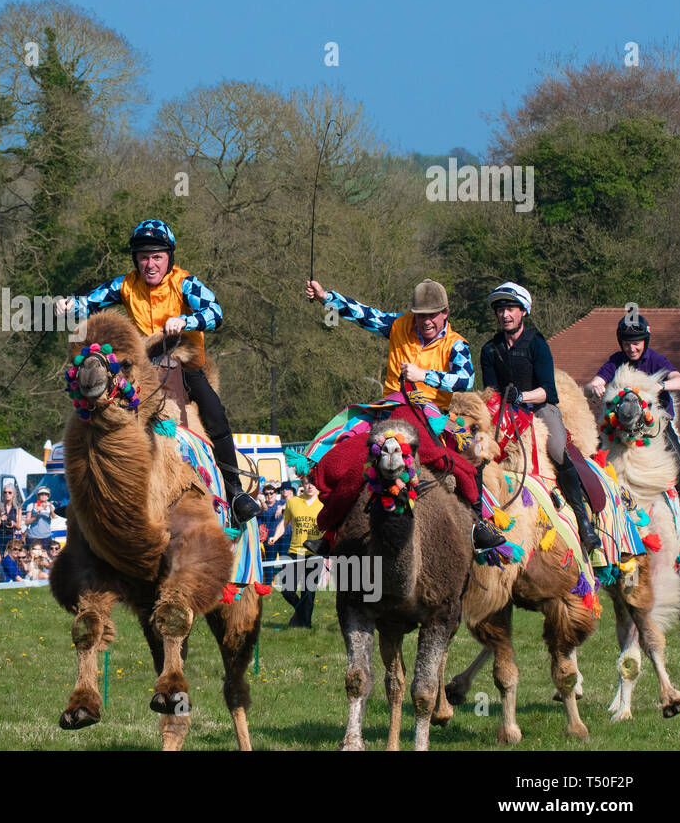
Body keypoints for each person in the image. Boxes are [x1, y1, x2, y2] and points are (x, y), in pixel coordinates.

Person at [57, 219, 260, 527]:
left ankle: (234, 492)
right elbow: (88, 303)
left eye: (156, 257)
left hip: (184, 363)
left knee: (215, 412)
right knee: (96, 409)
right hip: (142, 370)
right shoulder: (124, 285)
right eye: (143, 257)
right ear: (135, 259)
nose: (149, 264)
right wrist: (69, 305)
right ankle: (82, 492)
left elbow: (216, 313)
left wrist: (186, 321)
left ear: (169, 258)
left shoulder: (185, 283)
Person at [304, 277, 503, 552]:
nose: (426, 321)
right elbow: (362, 314)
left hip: (433, 417)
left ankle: (478, 524)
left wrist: (426, 376)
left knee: (472, 454)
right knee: (343, 453)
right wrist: (326, 298)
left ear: (445, 313)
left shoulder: (456, 344)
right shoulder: (399, 324)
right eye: (421, 315)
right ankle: (331, 533)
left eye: (433, 315)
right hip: (389, 412)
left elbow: (466, 380)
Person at [482, 282, 599, 551]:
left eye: (511, 308)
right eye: (500, 310)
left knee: (558, 450)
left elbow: (548, 390)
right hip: (504, 412)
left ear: (524, 311)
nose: (505, 314)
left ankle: (584, 522)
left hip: (539, 408)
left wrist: (521, 397)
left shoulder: (537, 344)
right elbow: (490, 391)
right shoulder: (489, 349)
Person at [586, 312, 680, 456]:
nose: (631, 349)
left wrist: (660, 386)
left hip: (657, 422)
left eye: (636, 343)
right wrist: (595, 387)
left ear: (645, 341)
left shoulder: (656, 359)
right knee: (597, 455)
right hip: (620, 423)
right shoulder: (616, 361)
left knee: (678, 457)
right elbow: (589, 387)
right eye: (626, 344)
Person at [279, 479, 324, 628]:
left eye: (313, 483)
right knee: (286, 589)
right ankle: (300, 612)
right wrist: (275, 536)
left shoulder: (323, 503)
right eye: (307, 483)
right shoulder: (293, 502)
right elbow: (284, 523)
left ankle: (306, 625)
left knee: (308, 591)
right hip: (295, 551)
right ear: (302, 485)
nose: (310, 486)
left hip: (314, 553)